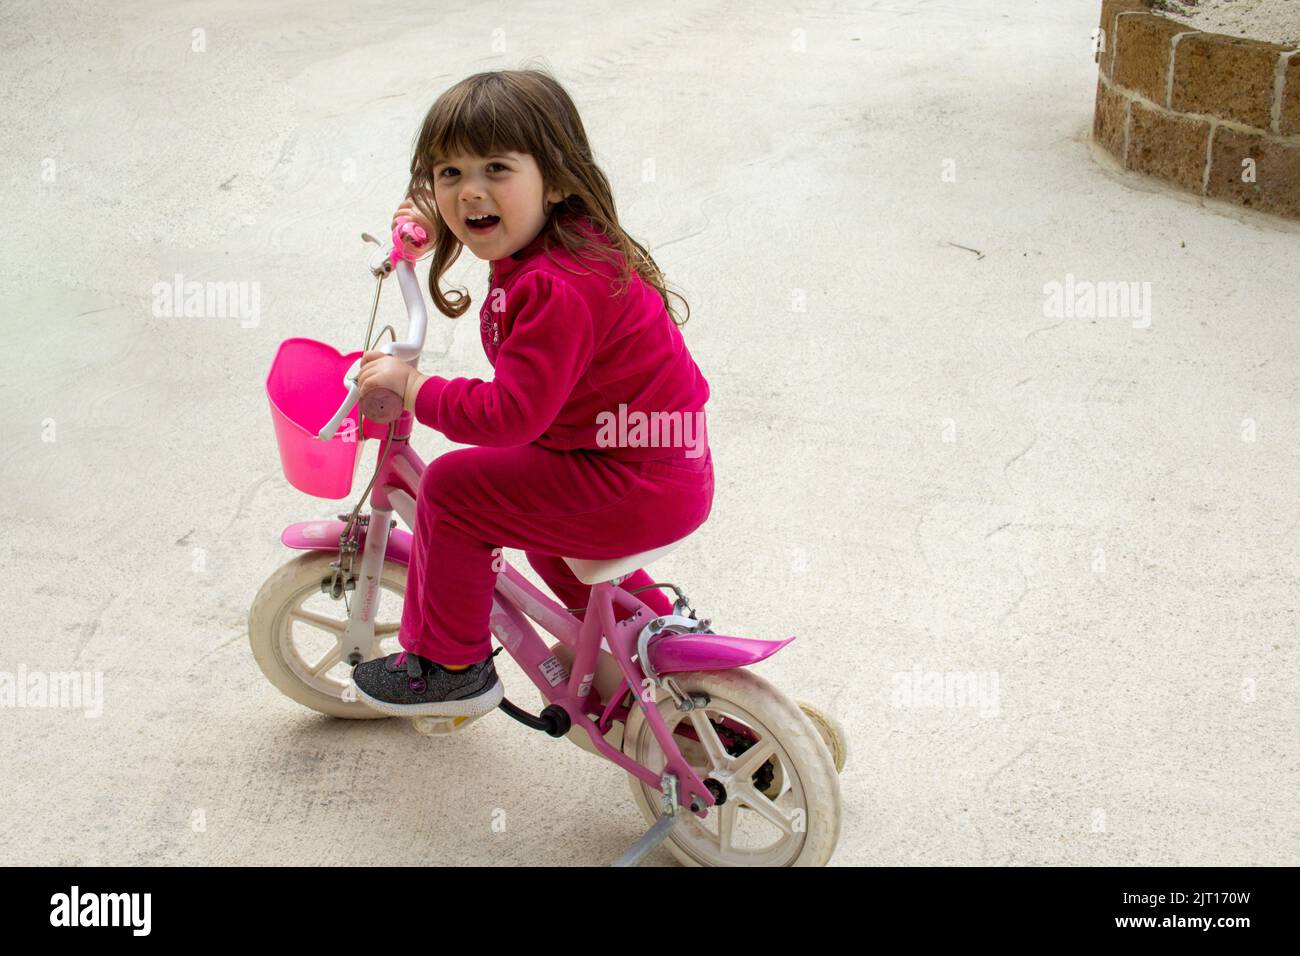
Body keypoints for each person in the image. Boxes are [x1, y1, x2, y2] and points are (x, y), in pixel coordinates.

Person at [350, 69, 714, 719]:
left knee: (456, 491)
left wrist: (413, 387)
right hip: (649, 458)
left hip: (631, 478)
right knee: (546, 535)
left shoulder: (555, 286)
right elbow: (484, 207)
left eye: (495, 167)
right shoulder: (564, 232)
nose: (471, 193)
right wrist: (435, 220)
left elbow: (512, 416)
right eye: (449, 174)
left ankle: (451, 666)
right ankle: (647, 643)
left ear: (557, 176)